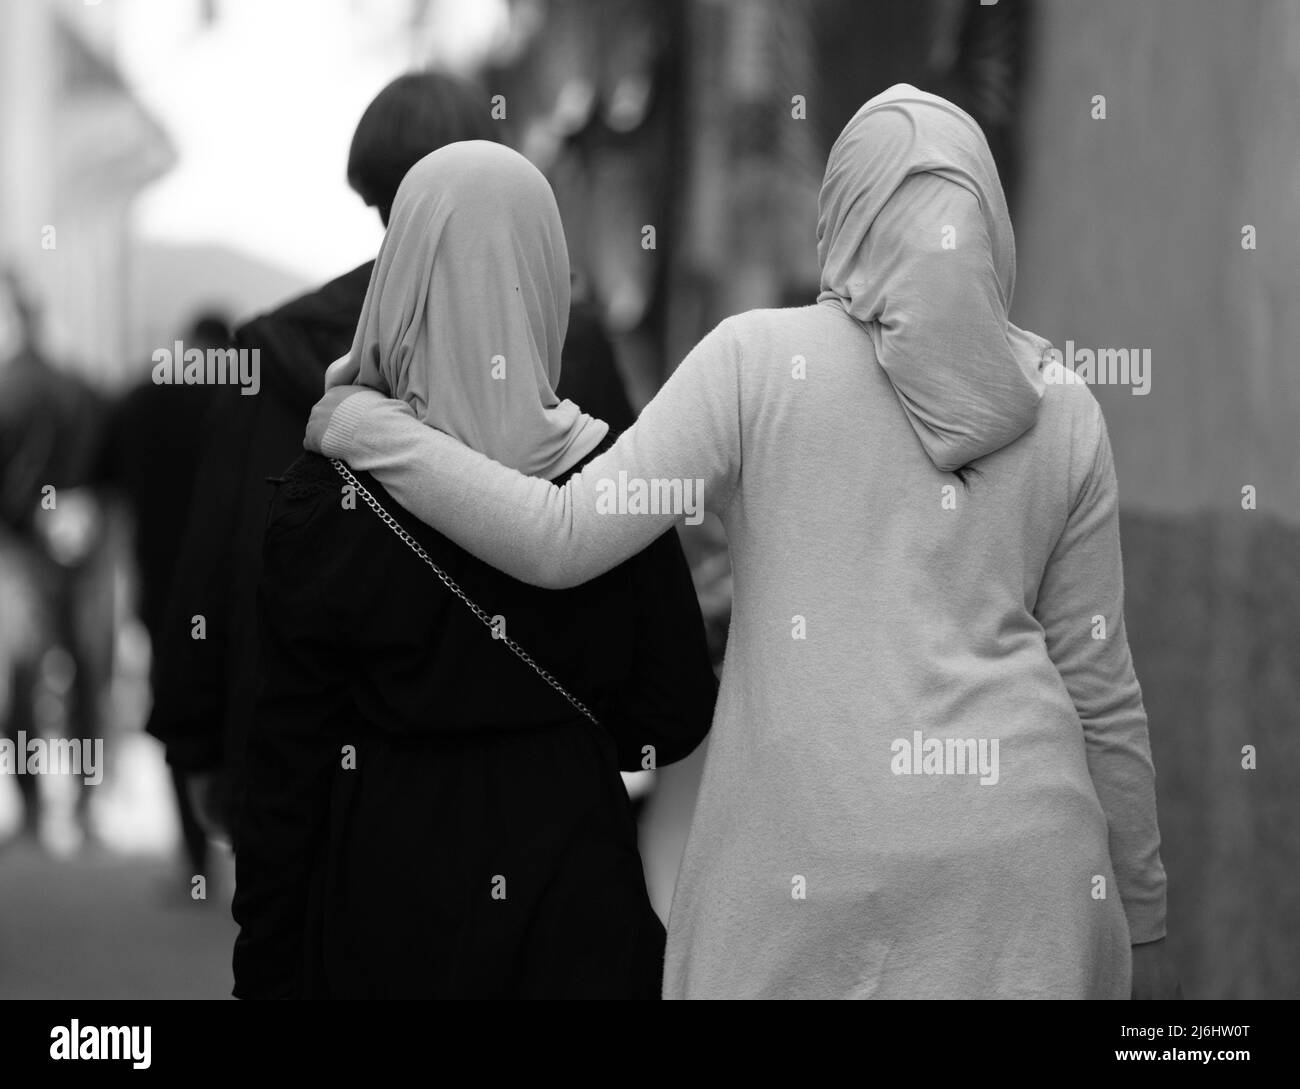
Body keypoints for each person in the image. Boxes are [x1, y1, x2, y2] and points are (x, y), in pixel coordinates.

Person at [304, 86, 1177, 1000]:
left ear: (841, 213)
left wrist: (371, 430)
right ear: (989, 219)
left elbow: (557, 537)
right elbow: (1102, 693)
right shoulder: (1063, 406)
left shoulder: (758, 363)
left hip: (807, 876)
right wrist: (1145, 928)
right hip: (1027, 877)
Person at [232, 143, 716, 999]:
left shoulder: (327, 495)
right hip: (572, 909)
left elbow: (284, 767)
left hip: (380, 913)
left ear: (404, 277)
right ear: (545, 272)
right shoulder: (610, 484)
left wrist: (264, 967)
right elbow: (672, 713)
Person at [149, 70, 633, 843]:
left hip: (341, 774)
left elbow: (222, 548)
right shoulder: (571, 345)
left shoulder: (278, 349)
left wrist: (200, 739)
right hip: (545, 791)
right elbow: (626, 551)